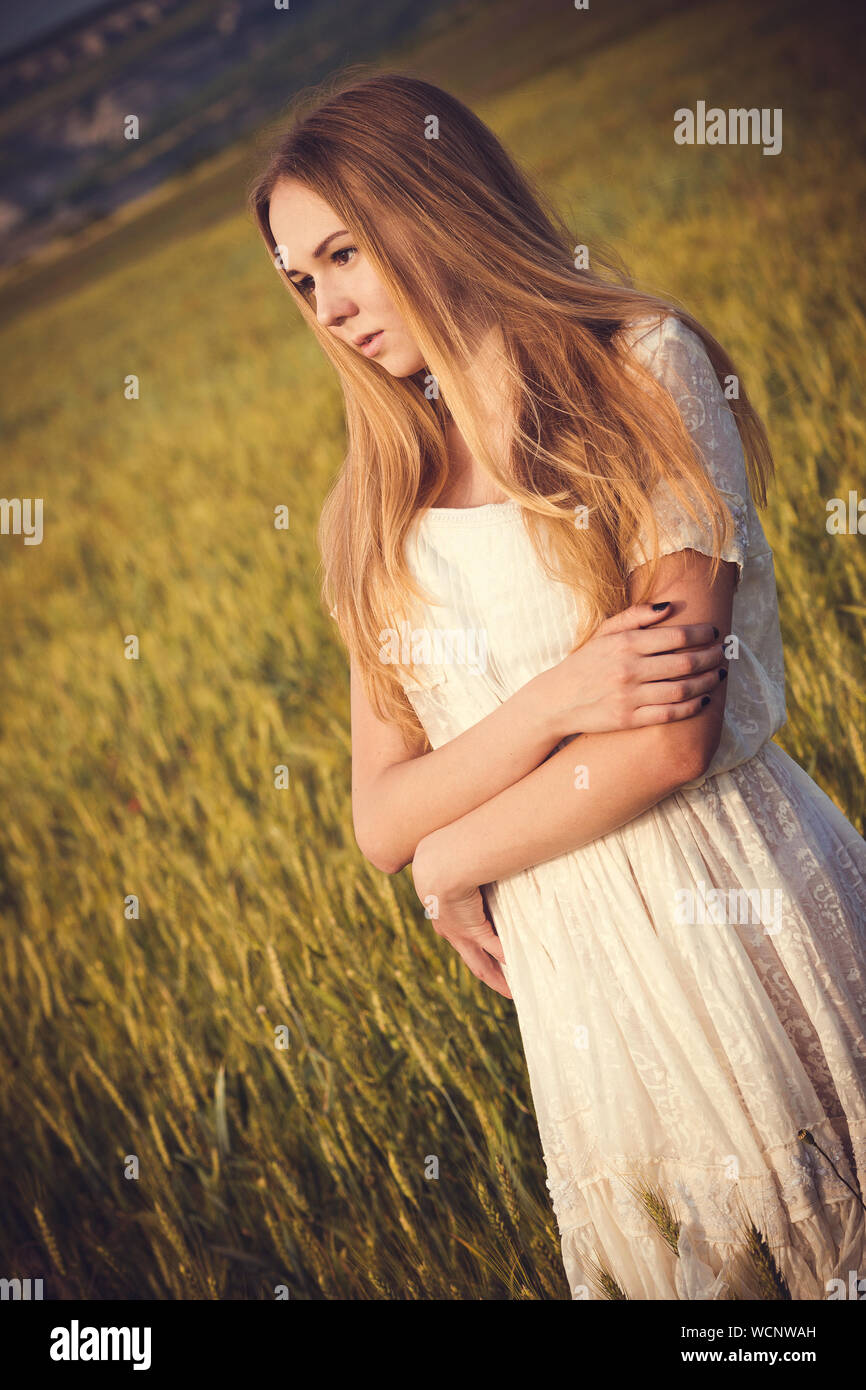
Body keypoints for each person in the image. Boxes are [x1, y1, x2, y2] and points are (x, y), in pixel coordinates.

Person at [249, 70, 866, 1300]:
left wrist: (447, 857)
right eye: (300, 281)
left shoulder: (639, 367)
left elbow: (668, 743)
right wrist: (556, 697)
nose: (329, 306)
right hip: (578, 983)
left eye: (345, 252)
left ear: (433, 200)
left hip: (733, 897)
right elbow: (380, 816)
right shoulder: (370, 505)